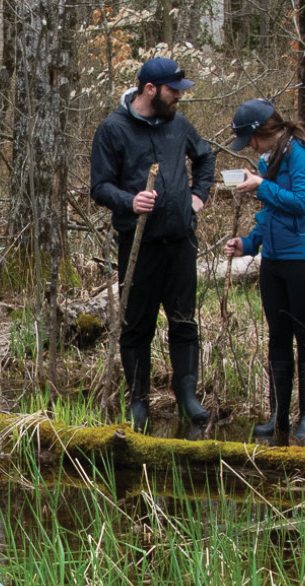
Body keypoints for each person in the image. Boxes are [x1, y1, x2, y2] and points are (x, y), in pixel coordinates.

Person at [90, 55, 216, 431]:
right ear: (150, 89)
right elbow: (100, 186)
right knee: (137, 326)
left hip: (180, 242)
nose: (179, 96)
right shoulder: (113, 129)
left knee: (183, 322)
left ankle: (188, 398)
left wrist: (198, 197)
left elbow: (205, 157)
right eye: (173, 90)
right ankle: (138, 401)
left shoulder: (179, 125)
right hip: (139, 244)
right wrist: (130, 200)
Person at [222, 99, 305, 444]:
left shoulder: (303, 154)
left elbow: (303, 203)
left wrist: (261, 186)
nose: (250, 148)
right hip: (275, 256)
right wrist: (249, 243)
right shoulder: (269, 158)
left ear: (263, 132)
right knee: (277, 336)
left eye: (250, 140)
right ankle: (278, 418)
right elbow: (273, 211)